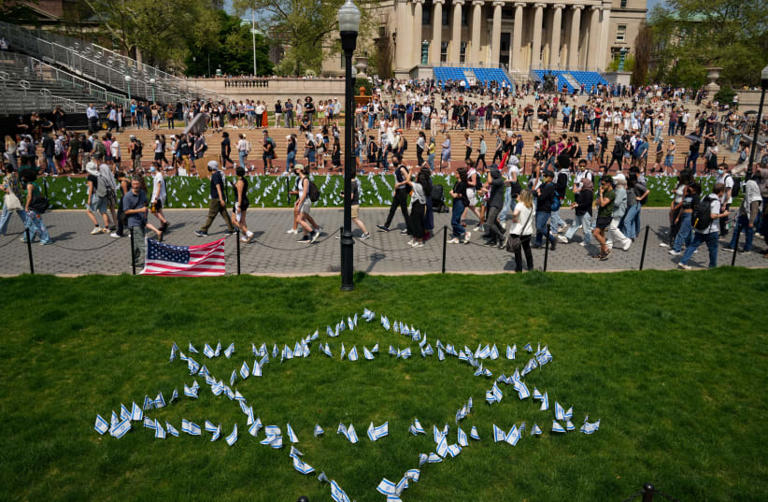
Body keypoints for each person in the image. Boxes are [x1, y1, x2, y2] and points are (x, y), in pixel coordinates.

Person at [677, 183, 728, 269]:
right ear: (720, 192)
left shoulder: (705, 197)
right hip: (711, 229)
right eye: (723, 192)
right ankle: (712, 266)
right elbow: (713, 216)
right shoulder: (716, 201)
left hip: (700, 227)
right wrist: (724, 214)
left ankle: (683, 261)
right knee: (713, 249)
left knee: (693, 245)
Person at [195, 161, 235, 237]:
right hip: (219, 198)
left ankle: (204, 230)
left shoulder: (215, 175)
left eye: (208, 166)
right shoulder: (217, 174)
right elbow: (216, 183)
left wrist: (221, 199)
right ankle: (231, 229)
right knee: (225, 214)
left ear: (211, 167)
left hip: (216, 198)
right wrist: (209, 178)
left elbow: (218, 187)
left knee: (211, 215)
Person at [724, 172, 761, 253]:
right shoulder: (747, 195)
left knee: (749, 233)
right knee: (736, 231)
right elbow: (743, 205)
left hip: (749, 217)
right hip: (743, 215)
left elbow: (754, 211)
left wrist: (751, 221)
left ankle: (747, 248)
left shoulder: (755, 198)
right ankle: (732, 246)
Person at [377, 163, 412, 234]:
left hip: (402, 192)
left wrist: (399, 184)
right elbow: (397, 181)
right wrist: (395, 190)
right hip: (398, 191)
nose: (391, 164)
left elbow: (408, 179)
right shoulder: (397, 169)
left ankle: (410, 228)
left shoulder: (402, 168)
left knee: (404, 211)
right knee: (392, 209)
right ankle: (386, 226)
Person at [506, 188, 535, 272]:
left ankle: (519, 268)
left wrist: (514, 218)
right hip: (528, 231)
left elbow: (515, 213)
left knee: (517, 251)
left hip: (517, 231)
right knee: (527, 249)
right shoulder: (532, 205)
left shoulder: (520, 205)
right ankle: (530, 266)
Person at [668, 181, 700, 256]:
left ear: (694, 189)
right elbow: (683, 207)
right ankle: (692, 247)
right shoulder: (687, 196)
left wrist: (695, 218)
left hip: (689, 215)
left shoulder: (695, 197)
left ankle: (677, 249)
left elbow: (696, 209)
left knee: (682, 232)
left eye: (689, 187)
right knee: (688, 233)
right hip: (684, 215)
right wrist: (678, 217)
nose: (687, 189)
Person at [20, 170, 52, 245]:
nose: (22, 178)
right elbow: (40, 194)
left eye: (23, 176)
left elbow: (29, 197)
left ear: (26, 177)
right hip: (36, 206)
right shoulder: (34, 184)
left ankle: (46, 239)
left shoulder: (29, 185)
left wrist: (26, 206)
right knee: (29, 222)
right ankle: (27, 238)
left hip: (33, 207)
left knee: (38, 223)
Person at [559, 177, 593, 246]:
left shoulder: (589, 192)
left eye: (582, 182)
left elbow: (587, 203)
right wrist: (574, 203)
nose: (581, 183)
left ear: (586, 183)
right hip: (579, 212)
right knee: (574, 225)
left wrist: (577, 205)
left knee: (586, 228)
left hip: (585, 213)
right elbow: (579, 200)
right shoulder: (582, 190)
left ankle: (587, 241)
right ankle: (566, 237)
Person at [123, 176, 148, 267]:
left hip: (142, 221)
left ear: (140, 184)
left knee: (136, 244)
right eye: (134, 184)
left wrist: (145, 214)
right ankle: (150, 262)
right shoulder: (127, 196)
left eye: (137, 184)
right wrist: (140, 210)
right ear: (131, 184)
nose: (135, 186)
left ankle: (134, 262)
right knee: (142, 244)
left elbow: (145, 203)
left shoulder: (142, 193)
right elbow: (126, 211)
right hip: (133, 223)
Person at [293, 163, 321, 243]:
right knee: (303, 219)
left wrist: (299, 204)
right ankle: (306, 237)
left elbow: (305, 193)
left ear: (301, 170)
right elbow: (300, 193)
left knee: (299, 219)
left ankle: (313, 232)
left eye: (298, 168)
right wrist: (298, 201)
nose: (296, 170)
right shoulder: (300, 179)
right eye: (295, 169)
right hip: (302, 201)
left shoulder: (305, 180)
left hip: (305, 202)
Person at [607, 173, 632, 251]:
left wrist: (608, 202)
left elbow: (617, 202)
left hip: (618, 211)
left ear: (620, 181)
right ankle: (609, 242)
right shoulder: (617, 188)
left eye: (616, 179)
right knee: (611, 227)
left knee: (613, 227)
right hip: (615, 211)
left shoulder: (621, 190)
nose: (614, 181)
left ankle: (625, 240)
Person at [405, 166, 429, 248]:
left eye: (417, 176)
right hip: (421, 205)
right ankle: (415, 238)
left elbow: (407, 181)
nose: (415, 177)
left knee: (417, 223)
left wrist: (410, 171)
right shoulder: (425, 185)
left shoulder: (418, 186)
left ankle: (420, 241)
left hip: (418, 205)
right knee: (414, 221)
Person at [592, 175, 615, 260]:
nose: (601, 186)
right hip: (601, 214)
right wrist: (600, 197)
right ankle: (602, 254)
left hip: (606, 216)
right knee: (601, 234)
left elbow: (602, 204)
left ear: (609, 183)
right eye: (601, 184)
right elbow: (598, 201)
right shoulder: (605, 190)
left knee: (595, 233)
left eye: (603, 184)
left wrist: (601, 194)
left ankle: (606, 249)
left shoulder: (611, 193)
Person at [482, 168, 506, 247]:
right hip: (492, 203)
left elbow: (489, 181)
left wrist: (489, 172)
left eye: (491, 174)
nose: (489, 176)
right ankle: (497, 235)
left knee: (490, 223)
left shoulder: (499, 180)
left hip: (496, 204)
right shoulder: (497, 180)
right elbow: (488, 183)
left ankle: (502, 237)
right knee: (493, 221)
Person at [0, 164, 27, 235]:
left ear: (6, 170)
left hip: (10, 199)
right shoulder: (15, 176)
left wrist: (1, 187)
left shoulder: (6, 178)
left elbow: (7, 190)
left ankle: (1, 230)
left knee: (4, 215)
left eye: (3, 167)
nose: (2, 168)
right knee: (22, 214)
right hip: (18, 197)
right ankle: (30, 227)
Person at [85, 161, 110, 234]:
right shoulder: (100, 174)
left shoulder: (90, 176)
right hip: (104, 194)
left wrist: (89, 198)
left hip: (96, 195)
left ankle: (97, 226)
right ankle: (106, 228)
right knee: (103, 212)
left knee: (89, 211)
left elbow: (91, 188)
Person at [533, 170, 557, 250]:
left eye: (546, 176)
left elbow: (542, 197)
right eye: (544, 176)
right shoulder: (543, 184)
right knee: (540, 227)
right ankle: (538, 242)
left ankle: (552, 239)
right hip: (539, 207)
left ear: (550, 178)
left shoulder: (550, 186)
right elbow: (536, 193)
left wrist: (539, 193)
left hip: (545, 209)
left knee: (539, 227)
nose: (544, 178)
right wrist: (538, 193)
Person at [231, 166, 254, 243]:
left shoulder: (240, 182)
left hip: (240, 202)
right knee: (243, 221)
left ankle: (248, 233)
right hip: (244, 201)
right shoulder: (244, 180)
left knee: (234, 221)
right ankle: (244, 237)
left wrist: (239, 206)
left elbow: (240, 194)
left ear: (237, 173)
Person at [448, 167, 471, 244]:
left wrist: (452, 193)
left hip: (460, 203)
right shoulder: (457, 182)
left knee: (454, 222)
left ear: (460, 175)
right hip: (456, 202)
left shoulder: (462, 184)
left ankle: (465, 233)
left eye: (456, 173)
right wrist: (453, 193)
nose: (455, 174)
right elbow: (454, 192)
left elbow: (457, 195)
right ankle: (456, 237)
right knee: (456, 220)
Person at [347, 170, 370, 239]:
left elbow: (351, 196)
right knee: (349, 219)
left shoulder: (351, 183)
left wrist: (343, 196)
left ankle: (366, 233)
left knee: (355, 219)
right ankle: (346, 232)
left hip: (353, 204)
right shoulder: (354, 182)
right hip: (354, 204)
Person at [149, 164, 169, 236]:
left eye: (152, 166)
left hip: (157, 197)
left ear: (155, 167)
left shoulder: (159, 176)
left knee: (152, 211)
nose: (150, 168)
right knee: (159, 211)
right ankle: (163, 226)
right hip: (157, 196)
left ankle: (165, 222)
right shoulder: (157, 175)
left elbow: (159, 187)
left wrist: (156, 198)